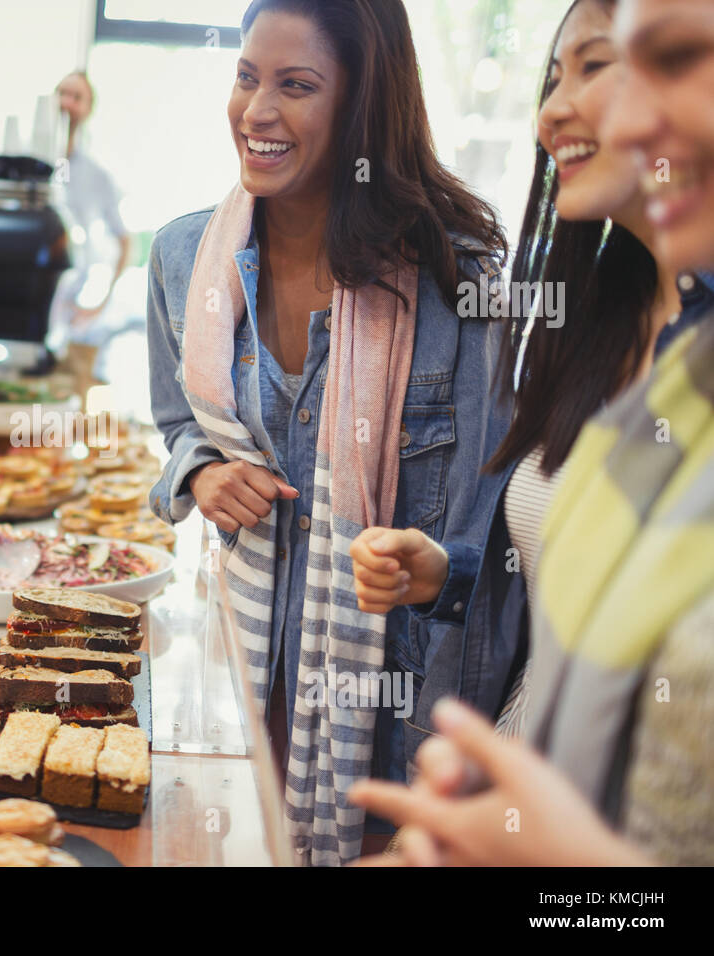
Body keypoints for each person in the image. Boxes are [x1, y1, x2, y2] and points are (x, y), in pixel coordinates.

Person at [145, 0, 511, 865]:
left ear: (361, 105)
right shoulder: (181, 258)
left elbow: (488, 546)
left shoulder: (458, 280)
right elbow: (177, 427)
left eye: (296, 86)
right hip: (228, 689)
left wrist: (431, 570)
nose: (257, 112)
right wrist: (199, 472)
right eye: (246, 77)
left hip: (388, 725)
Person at [352, 0, 714, 867]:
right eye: (560, 75)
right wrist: (457, 572)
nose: (567, 110)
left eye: (605, 67)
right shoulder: (619, 334)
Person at [53, 71, 132, 339]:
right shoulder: (25, 161)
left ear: (88, 109)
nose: (67, 102)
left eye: (76, 97)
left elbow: (124, 242)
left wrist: (100, 305)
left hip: (66, 309)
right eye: (62, 93)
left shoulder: (98, 175)